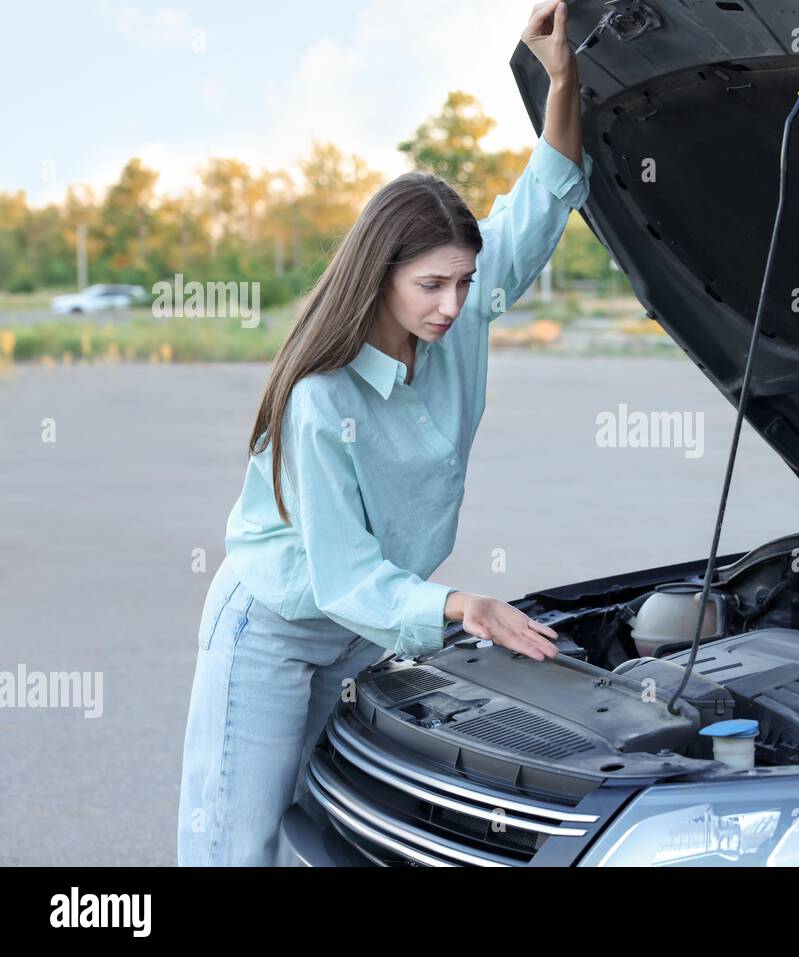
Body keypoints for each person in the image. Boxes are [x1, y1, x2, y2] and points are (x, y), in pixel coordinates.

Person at [177, 0, 590, 866]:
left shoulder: (463, 315)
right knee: (237, 846)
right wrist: (463, 606)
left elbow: (541, 201)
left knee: (322, 835)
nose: (452, 304)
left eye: (463, 280)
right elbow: (344, 573)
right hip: (279, 625)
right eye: (431, 284)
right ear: (382, 274)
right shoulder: (320, 397)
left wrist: (563, 80)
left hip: (366, 628)